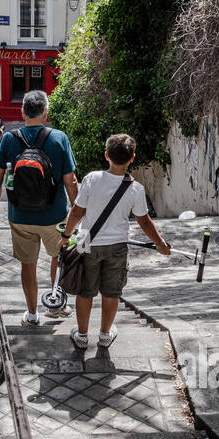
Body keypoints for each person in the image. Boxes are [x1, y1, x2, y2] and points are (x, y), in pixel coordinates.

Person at [60, 133, 170, 352]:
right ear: (132, 158)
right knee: (111, 292)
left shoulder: (92, 178)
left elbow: (77, 211)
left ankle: (82, 335)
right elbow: (145, 222)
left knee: (85, 290)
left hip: (86, 241)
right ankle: (104, 335)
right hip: (117, 246)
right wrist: (160, 244)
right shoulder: (136, 189)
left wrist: (65, 237)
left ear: (106, 156)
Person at [0, 90, 78, 327]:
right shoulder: (59, 138)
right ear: (46, 113)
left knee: (28, 265)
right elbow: (71, 181)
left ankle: (33, 314)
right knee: (58, 257)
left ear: (22, 111)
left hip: (20, 215)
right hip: (54, 215)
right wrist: (78, 212)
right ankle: (57, 304)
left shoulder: (8, 139)